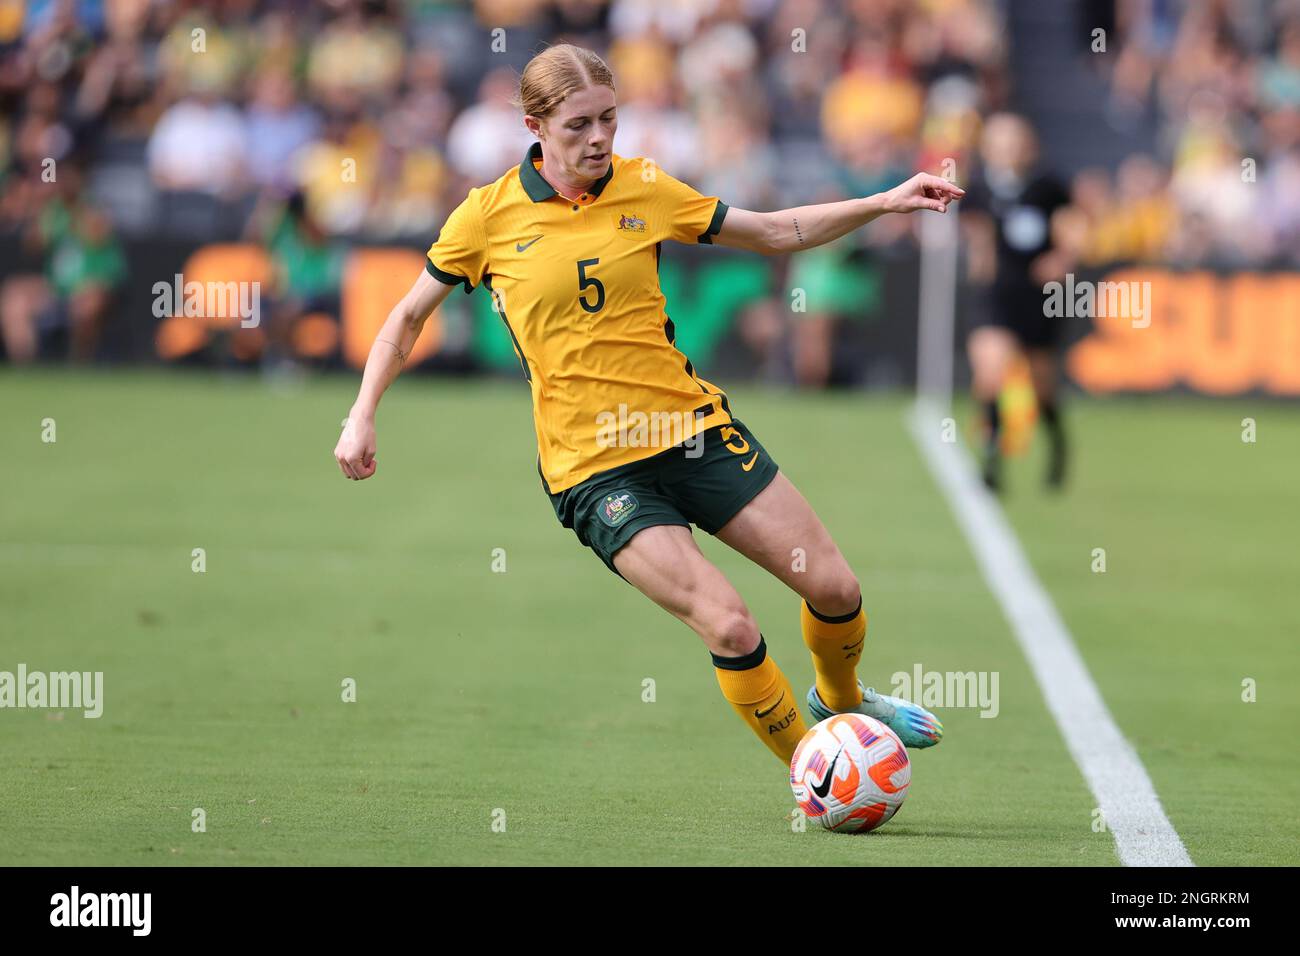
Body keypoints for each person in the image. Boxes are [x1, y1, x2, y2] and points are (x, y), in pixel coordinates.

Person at [333, 44, 958, 769]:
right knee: (728, 625)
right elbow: (407, 319)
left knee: (835, 587)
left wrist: (882, 203)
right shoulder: (486, 218)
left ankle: (842, 700)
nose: (599, 138)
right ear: (535, 125)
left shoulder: (647, 188)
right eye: (578, 125)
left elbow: (768, 231)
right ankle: (819, 768)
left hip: (690, 431)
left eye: (609, 119)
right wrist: (361, 412)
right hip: (595, 471)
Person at [961, 113, 1074, 492]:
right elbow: (973, 233)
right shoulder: (978, 188)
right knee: (991, 373)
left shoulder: (1047, 187)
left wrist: (1062, 258)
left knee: (1042, 384)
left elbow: (1072, 229)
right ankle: (992, 461)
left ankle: (1057, 443)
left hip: (1037, 297)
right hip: (995, 296)